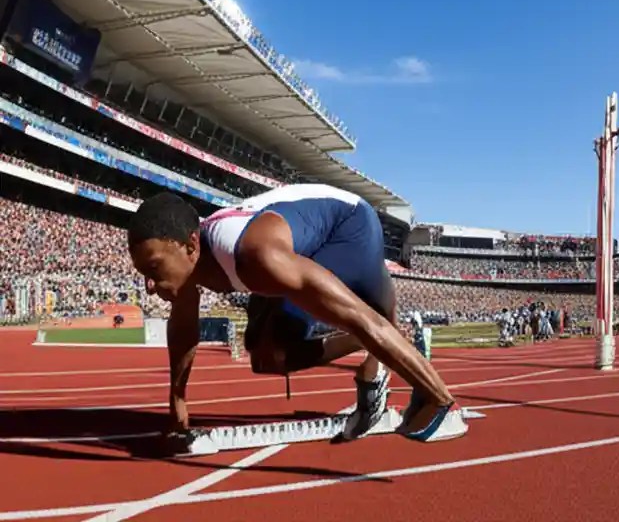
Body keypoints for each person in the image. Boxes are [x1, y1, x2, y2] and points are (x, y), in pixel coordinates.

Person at [126, 184, 460, 445]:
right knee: (264, 358)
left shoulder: (257, 256)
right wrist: (177, 404)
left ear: (190, 245)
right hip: (296, 239)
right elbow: (184, 328)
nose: (150, 286)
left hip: (348, 227)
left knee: (292, 342)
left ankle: (388, 351)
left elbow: (362, 317)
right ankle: (377, 343)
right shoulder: (189, 265)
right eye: (144, 272)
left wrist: (435, 396)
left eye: (154, 269)